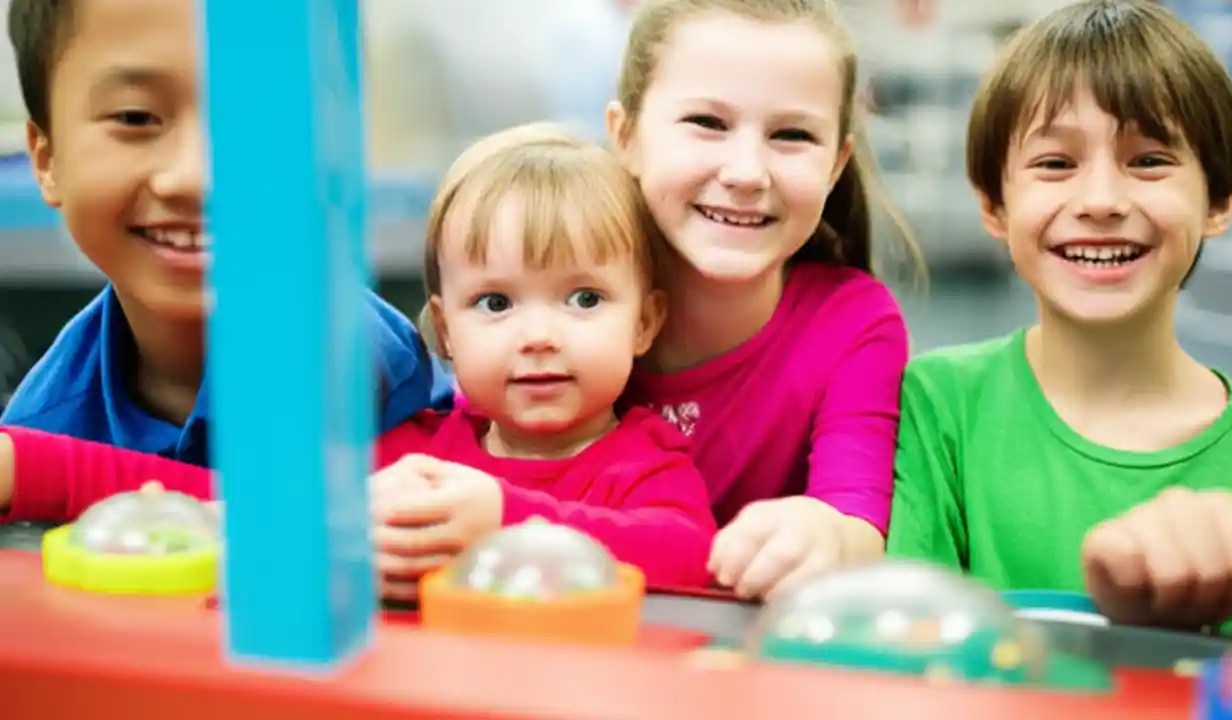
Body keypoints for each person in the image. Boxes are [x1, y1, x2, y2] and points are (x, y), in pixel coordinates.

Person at [0, 124, 717, 597]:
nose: (539, 336)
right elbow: (224, 499)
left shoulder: (647, 467)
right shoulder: (404, 454)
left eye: (584, 299)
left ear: (646, 321)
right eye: (496, 304)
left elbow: (691, 561)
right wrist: (24, 466)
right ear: (445, 329)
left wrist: (501, 515)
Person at [886, 0, 1232, 637]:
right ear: (994, 204)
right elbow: (907, 654)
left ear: (1221, 198)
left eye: (1149, 160)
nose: (1101, 201)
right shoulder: (937, 406)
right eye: (1055, 164)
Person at [0, 0, 454, 467]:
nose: (196, 178)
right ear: (46, 160)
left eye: (255, 121)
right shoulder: (37, 433)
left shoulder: (398, 400)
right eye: (135, 117)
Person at [607, 0, 921, 599]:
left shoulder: (854, 324)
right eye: (707, 122)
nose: (747, 172)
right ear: (626, 135)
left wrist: (827, 533)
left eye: (792, 135)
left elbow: (855, 522)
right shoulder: (558, 308)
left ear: (837, 164)